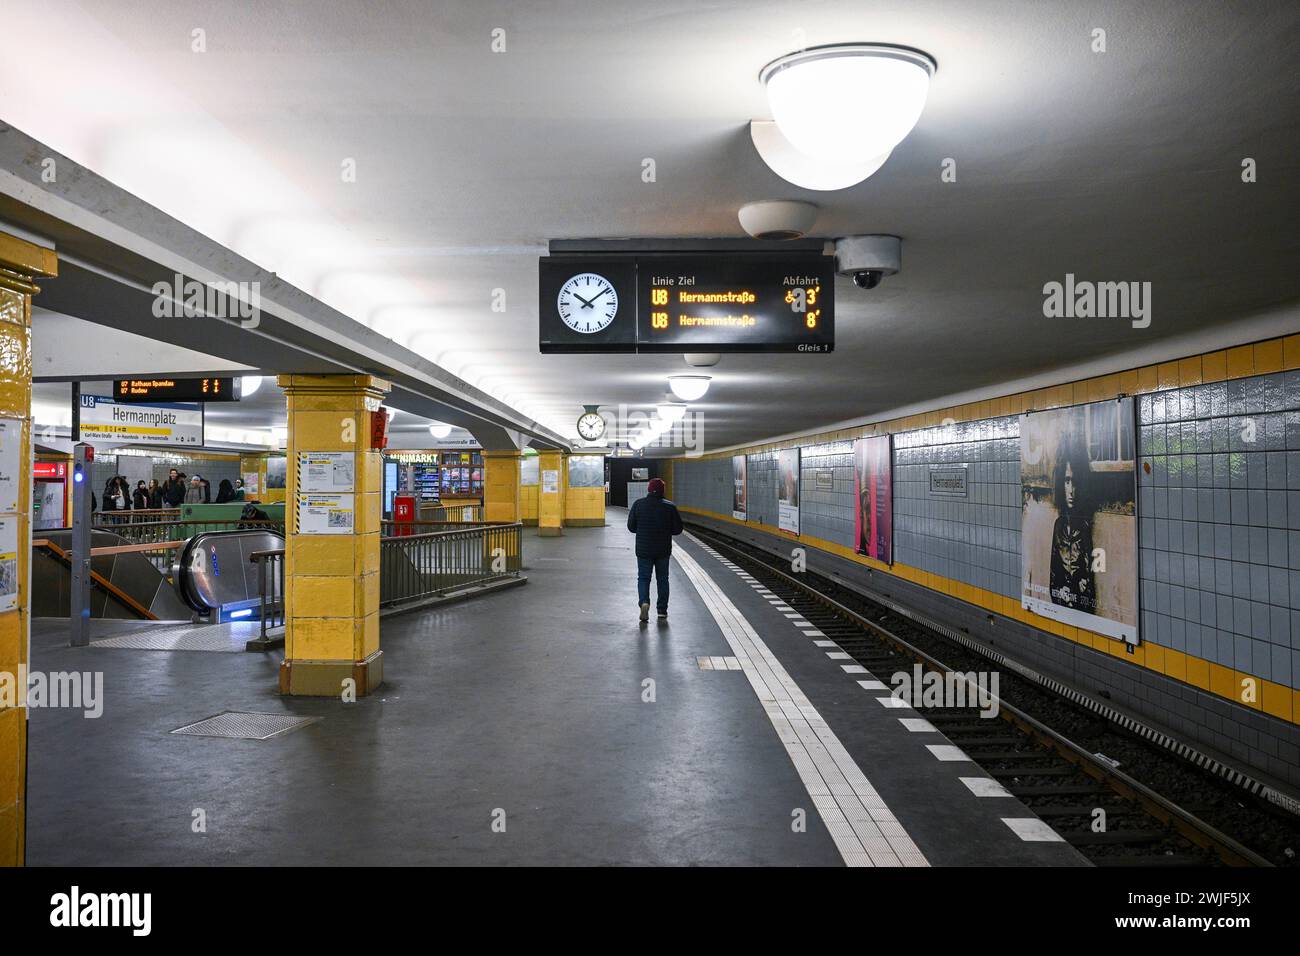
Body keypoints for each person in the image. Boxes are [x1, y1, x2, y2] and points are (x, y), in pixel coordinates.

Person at [1048, 440, 1097, 614]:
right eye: (1067, 481)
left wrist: (1078, 589)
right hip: (1061, 606)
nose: (1071, 490)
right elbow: (1053, 578)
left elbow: (1090, 583)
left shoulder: (1086, 528)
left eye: (1075, 482)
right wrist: (1061, 591)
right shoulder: (1058, 526)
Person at [625, 477, 683, 622]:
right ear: (663, 491)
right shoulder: (670, 507)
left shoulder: (639, 504)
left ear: (649, 490)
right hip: (663, 550)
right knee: (663, 579)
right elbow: (678, 530)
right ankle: (662, 610)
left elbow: (631, 527)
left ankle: (644, 602)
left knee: (644, 577)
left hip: (644, 550)